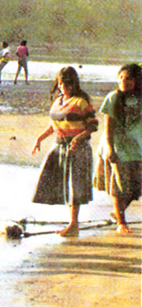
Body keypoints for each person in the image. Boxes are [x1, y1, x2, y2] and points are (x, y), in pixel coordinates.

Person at [31, 66, 97, 236]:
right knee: (59, 183)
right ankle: (71, 221)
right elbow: (54, 125)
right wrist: (40, 138)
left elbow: (92, 125)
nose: (63, 88)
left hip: (77, 148)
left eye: (67, 84)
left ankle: (73, 224)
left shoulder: (80, 101)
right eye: (61, 84)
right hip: (60, 146)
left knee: (75, 185)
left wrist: (80, 137)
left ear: (74, 84)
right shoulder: (58, 101)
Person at [94, 64, 142, 234]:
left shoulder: (140, 99)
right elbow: (108, 126)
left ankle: (117, 212)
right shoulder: (113, 98)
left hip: (136, 147)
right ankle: (121, 222)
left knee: (137, 187)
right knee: (119, 185)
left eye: (128, 78)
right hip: (117, 146)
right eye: (121, 78)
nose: (124, 81)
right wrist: (109, 147)